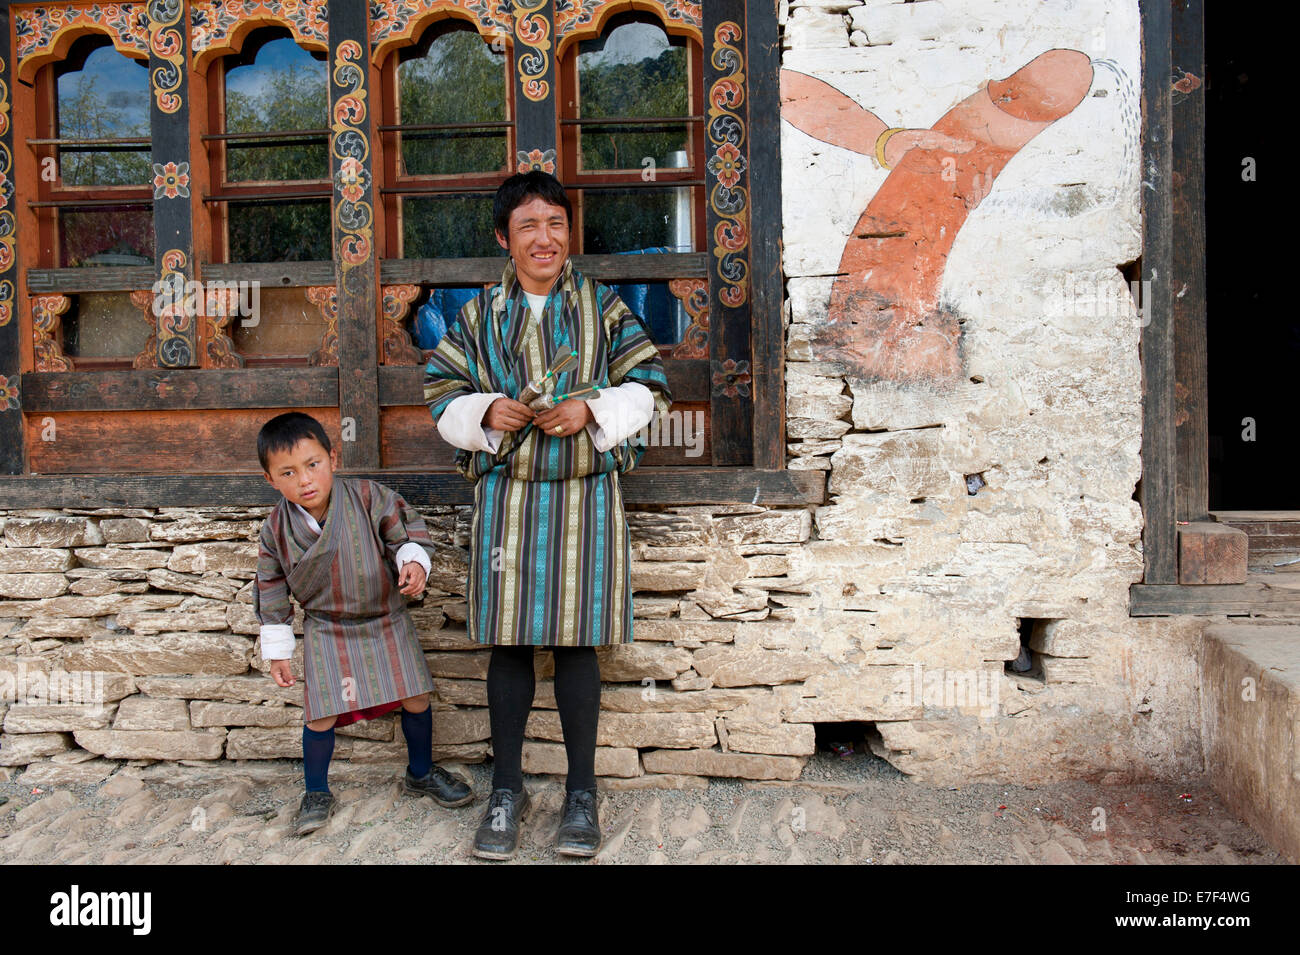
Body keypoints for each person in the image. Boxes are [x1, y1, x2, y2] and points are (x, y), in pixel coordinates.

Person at [423, 171, 672, 860]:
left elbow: (650, 387)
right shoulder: (479, 318)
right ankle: (507, 789)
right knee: (508, 642)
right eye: (529, 225)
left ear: (569, 233)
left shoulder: (605, 309)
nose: (545, 237)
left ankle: (581, 792)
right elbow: (442, 391)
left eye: (556, 224)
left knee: (574, 642)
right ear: (504, 237)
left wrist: (592, 409)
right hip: (510, 500)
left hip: (584, 498)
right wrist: (484, 413)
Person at [253, 412, 473, 837]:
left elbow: (404, 535)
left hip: (385, 618)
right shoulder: (276, 530)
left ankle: (421, 772)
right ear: (270, 480)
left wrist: (412, 562)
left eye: (313, 464)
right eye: (288, 472)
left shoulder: (370, 497)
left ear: (333, 457)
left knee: (415, 697)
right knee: (321, 714)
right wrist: (278, 649)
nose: (305, 480)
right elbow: (271, 586)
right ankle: (316, 791)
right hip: (327, 627)